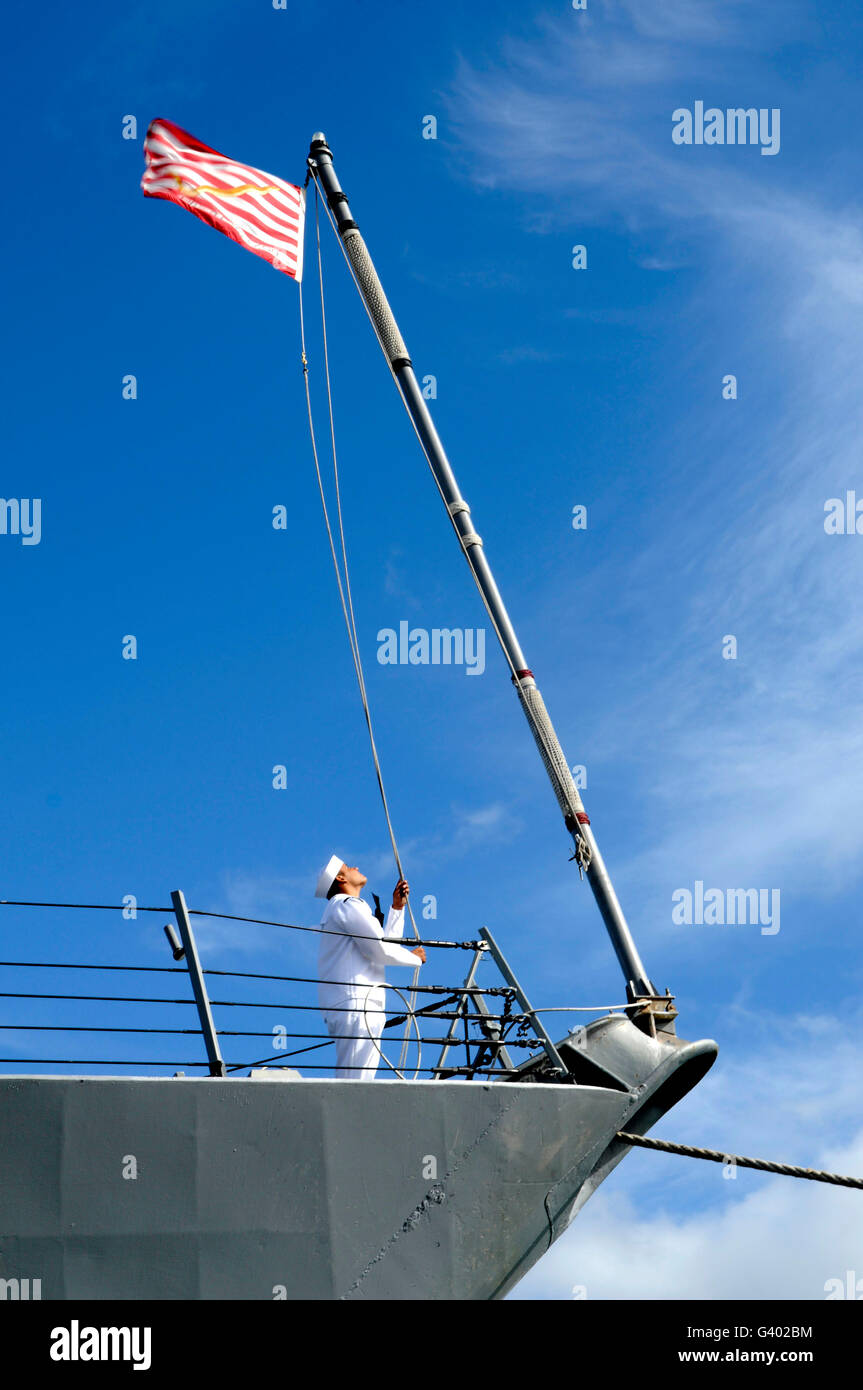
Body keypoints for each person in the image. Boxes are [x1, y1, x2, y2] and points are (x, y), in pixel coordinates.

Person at [314, 855, 426, 1079]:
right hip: (357, 1005)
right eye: (349, 867)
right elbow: (378, 949)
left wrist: (396, 909)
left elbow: (381, 945)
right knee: (354, 1083)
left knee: (358, 1079)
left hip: (359, 1003)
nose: (355, 867)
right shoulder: (347, 905)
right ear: (340, 877)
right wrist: (413, 958)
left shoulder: (344, 908)